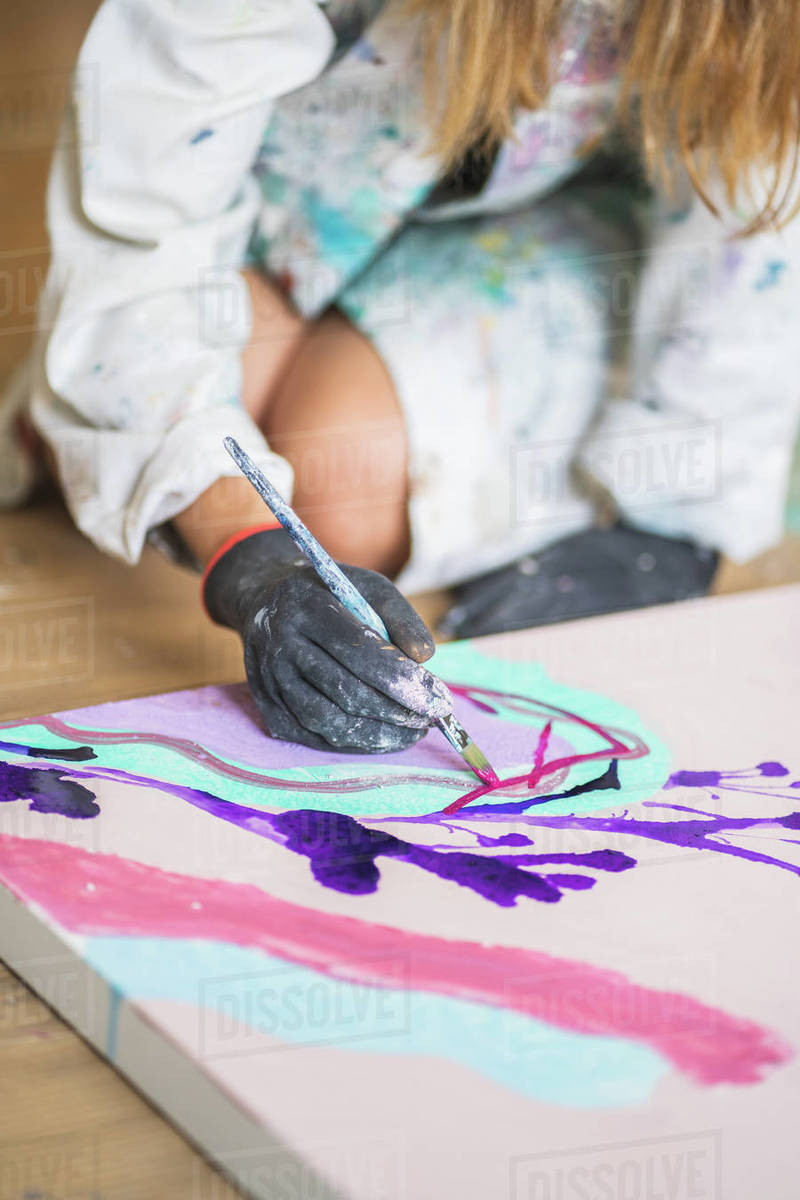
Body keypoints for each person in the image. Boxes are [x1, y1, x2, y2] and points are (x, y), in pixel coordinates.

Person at [2, 0, 799, 751]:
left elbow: (757, 203)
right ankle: (93, 415)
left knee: (339, 483)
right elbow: (148, 225)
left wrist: (669, 522)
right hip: (284, 199)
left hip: (572, 209)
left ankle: (95, 427)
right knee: (190, 413)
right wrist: (248, 554)